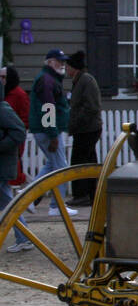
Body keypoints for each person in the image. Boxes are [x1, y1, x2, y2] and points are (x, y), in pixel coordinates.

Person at [29, 48, 77, 217]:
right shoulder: (47, 81)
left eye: (63, 61)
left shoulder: (48, 79)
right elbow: (47, 108)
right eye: (59, 61)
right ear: (50, 62)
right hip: (48, 131)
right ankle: (56, 206)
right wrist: (52, 135)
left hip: (45, 130)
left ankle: (27, 197)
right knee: (61, 167)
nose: (63, 64)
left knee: (52, 165)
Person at [0, 72, 34, 251]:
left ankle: (24, 237)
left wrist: (50, 129)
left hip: (3, 164)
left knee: (8, 204)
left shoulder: (7, 103)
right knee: (7, 204)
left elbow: (20, 128)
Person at [66, 51, 102, 205]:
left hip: (87, 129)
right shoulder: (79, 81)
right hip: (84, 128)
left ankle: (82, 195)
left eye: (68, 66)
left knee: (80, 162)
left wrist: (75, 122)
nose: (66, 69)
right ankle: (92, 195)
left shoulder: (86, 81)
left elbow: (91, 107)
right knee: (89, 161)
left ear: (74, 68)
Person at [3, 64, 29, 195]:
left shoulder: (19, 94)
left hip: (13, 137)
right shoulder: (4, 93)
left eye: (3, 77)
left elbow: (25, 117)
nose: (1, 80)